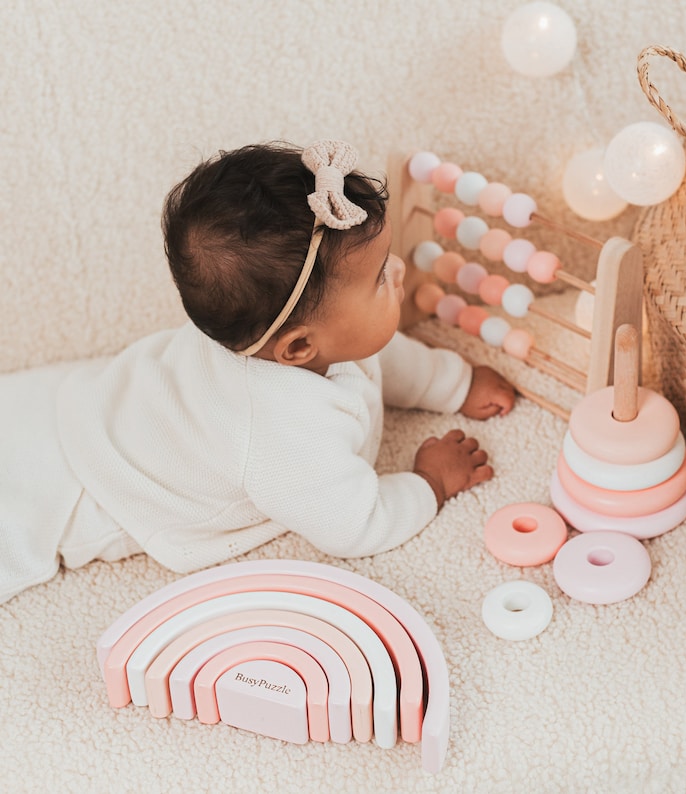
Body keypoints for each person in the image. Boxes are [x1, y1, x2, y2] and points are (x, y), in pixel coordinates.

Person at [0, 139, 515, 605]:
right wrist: (430, 481)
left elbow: (377, 352)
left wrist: (455, 383)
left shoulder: (302, 334)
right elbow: (356, 526)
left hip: (90, 400)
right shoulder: (280, 434)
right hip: (100, 486)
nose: (399, 270)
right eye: (381, 277)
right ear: (298, 349)